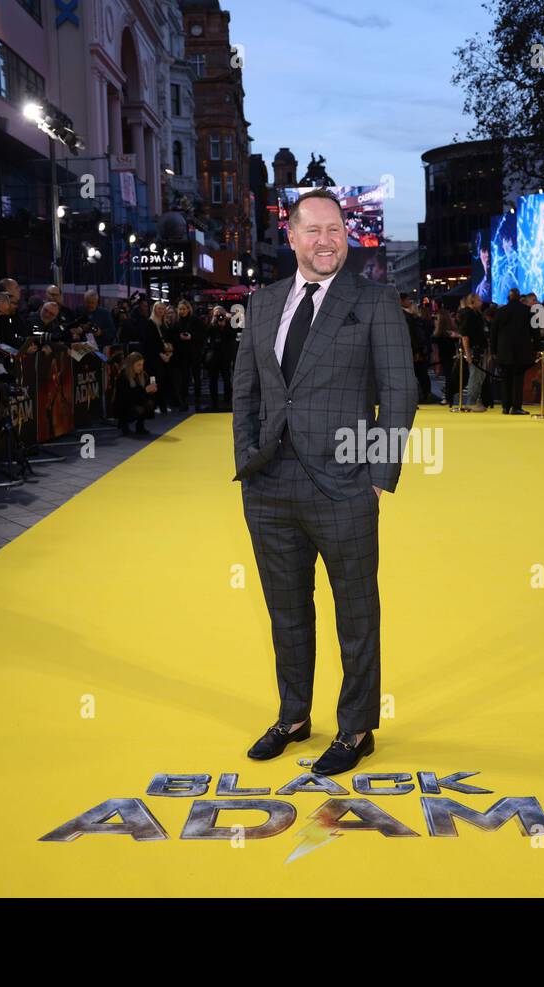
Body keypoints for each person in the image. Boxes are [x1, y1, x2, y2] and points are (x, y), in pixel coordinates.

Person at [231, 187, 417, 776]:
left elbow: (400, 393)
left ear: (347, 234)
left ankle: (356, 727)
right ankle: (293, 715)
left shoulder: (375, 300)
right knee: (285, 609)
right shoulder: (262, 304)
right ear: (290, 237)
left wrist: (379, 476)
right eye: (312, 230)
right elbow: (247, 392)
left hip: (345, 484)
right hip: (268, 486)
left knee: (355, 611)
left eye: (335, 229)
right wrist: (246, 461)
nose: (325, 240)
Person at [492, 288, 534, 414]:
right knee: (518, 380)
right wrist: (536, 347)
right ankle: (516, 407)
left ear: (508, 297)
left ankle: (505, 406)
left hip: (504, 351)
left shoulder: (500, 311)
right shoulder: (527, 311)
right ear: (519, 297)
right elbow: (534, 331)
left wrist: (494, 350)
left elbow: (494, 332)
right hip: (522, 350)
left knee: (505, 379)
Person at [172, 298, 205, 410]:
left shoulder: (196, 320)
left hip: (194, 353)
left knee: (196, 377)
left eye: (184, 309)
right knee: (184, 379)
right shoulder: (176, 322)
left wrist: (192, 337)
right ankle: (184, 401)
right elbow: (172, 337)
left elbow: (202, 336)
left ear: (188, 309)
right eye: (180, 309)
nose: (182, 311)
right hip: (182, 355)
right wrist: (179, 337)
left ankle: (197, 399)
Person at [456, 293, 488, 411]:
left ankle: (475, 399)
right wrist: (468, 353)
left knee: (480, 375)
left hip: (479, 347)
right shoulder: (468, 315)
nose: (482, 302)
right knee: (475, 375)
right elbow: (465, 336)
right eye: (479, 300)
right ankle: (471, 401)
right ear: (472, 302)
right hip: (473, 349)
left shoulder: (477, 314)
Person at [113, 352, 156, 435]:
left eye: (142, 364)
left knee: (150, 403)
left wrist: (151, 391)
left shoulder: (143, 375)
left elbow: (143, 395)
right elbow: (126, 398)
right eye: (138, 365)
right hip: (124, 405)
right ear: (131, 365)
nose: (141, 367)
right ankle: (123, 424)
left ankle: (140, 426)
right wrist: (145, 391)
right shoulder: (123, 376)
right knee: (139, 409)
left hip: (136, 401)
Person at [203, 304, 235, 410]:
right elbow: (206, 335)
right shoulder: (211, 324)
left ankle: (227, 400)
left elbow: (233, 335)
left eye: (220, 314)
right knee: (213, 380)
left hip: (225, 357)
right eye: (216, 314)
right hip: (213, 358)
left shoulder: (228, 324)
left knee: (227, 379)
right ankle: (214, 401)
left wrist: (225, 324)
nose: (219, 316)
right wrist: (213, 323)